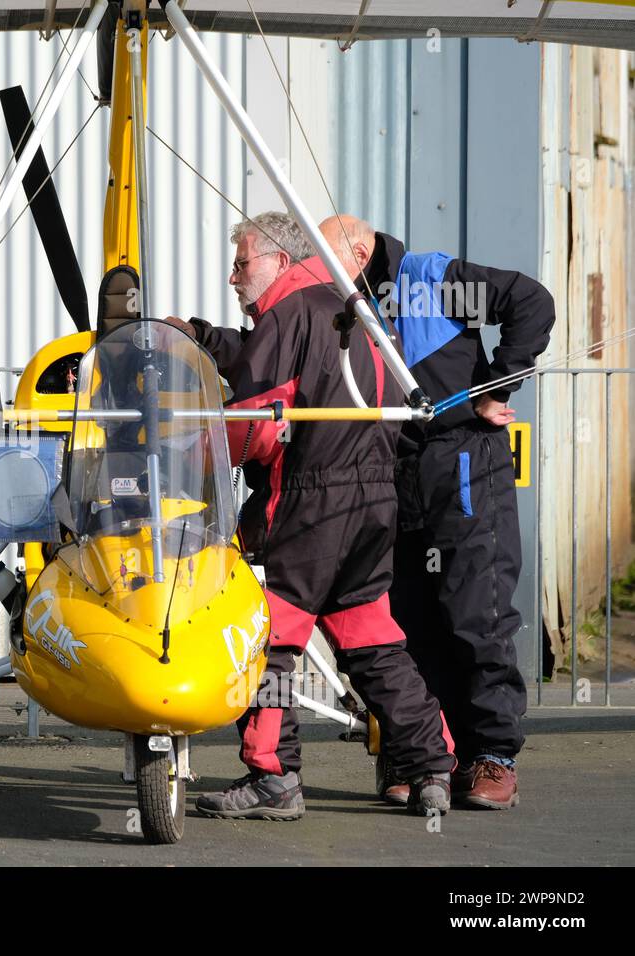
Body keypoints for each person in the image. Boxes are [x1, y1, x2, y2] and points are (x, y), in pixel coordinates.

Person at [166, 211, 455, 819]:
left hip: (311, 505)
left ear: (279, 261)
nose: (233, 276)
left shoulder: (288, 316)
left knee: (265, 643)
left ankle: (274, 775)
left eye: (243, 263)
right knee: (373, 641)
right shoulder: (362, 313)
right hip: (373, 502)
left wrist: (186, 464)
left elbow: (255, 429)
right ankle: (431, 765)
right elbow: (402, 418)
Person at [319, 215, 554, 810]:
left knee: (476, 613)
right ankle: (425, 755)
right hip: (394, 471)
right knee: (407, 620)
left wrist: (500, 383)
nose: (319, 271)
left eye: (327, 257)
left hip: (466, 463)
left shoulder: (431, 277)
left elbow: (531, 300)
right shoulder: (340, 305)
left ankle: (493, 756)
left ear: (359, 249)